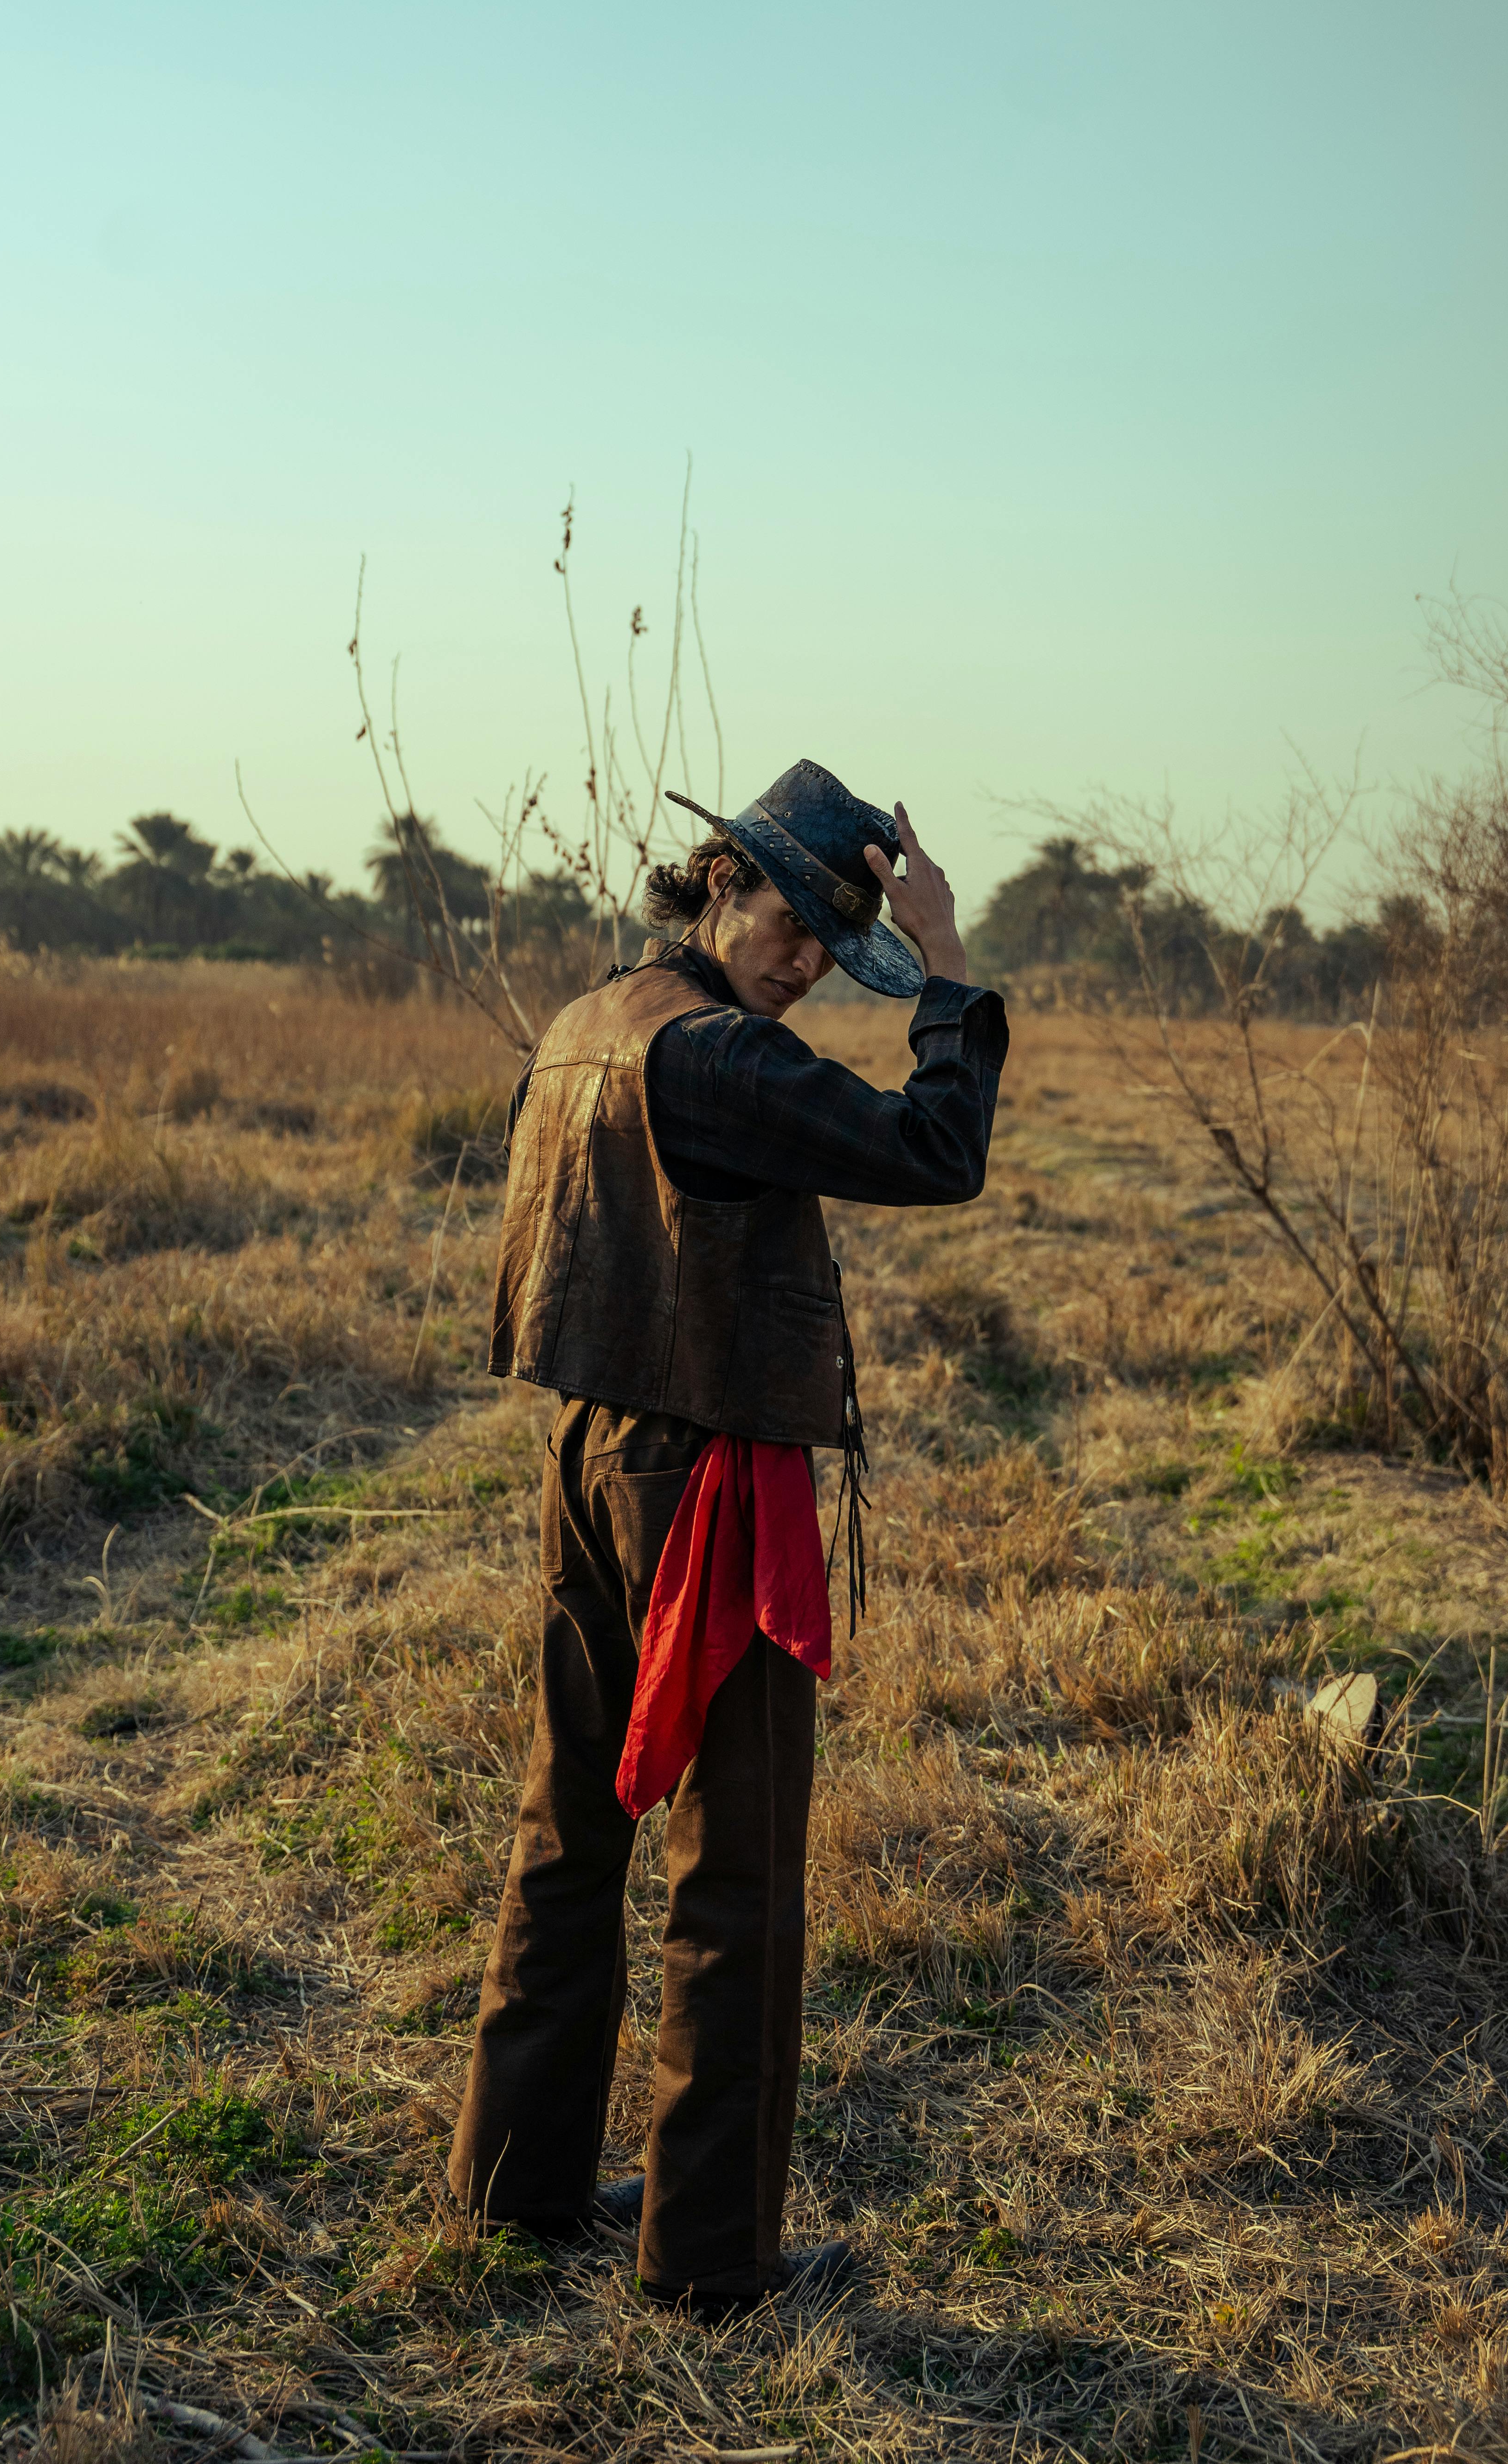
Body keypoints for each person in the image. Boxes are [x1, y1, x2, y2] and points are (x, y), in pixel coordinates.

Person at [448, 759, 1007, 2316]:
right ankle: (708, 2266)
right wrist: (947, 972)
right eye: (790, 915)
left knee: (571, 1823)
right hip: (705, 1483)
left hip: (587, 1454)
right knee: (737, 1870)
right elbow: (935, 1153)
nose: (807, 957)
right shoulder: (718, 1061)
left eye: (841, 943)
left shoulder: (579, 1030)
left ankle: (513, 2183)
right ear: (718, 878)